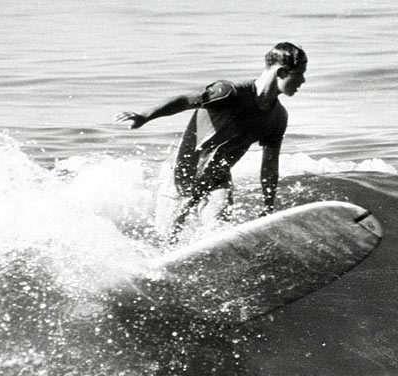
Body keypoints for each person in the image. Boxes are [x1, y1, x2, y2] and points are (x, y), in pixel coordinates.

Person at [115, 42, 307, 241]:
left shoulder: (278, 118)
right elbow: (185, 101)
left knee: (218, 231)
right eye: (299, 74)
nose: (303, 80)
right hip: (180, 174)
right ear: (282, 71)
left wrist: (268, 206)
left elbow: (270, 164)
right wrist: (145, 116)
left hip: (217, 181)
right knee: (166, 239)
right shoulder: (228, 93)